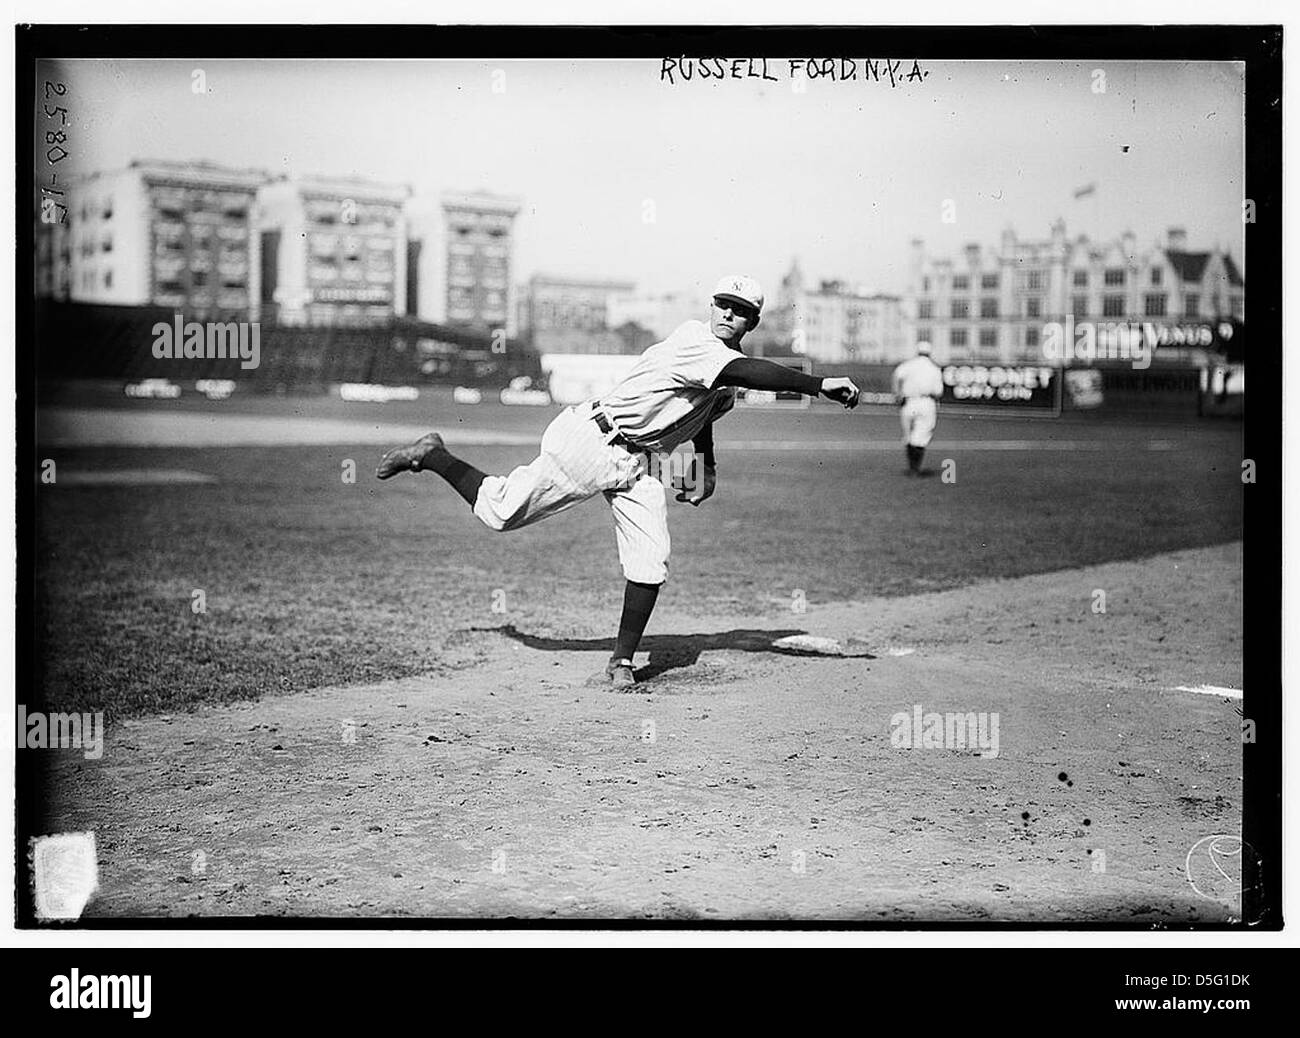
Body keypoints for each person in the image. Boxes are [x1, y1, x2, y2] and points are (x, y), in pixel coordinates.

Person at [375, 274, 861, 690]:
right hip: (594, 440)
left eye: (740, 312)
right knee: (500, 512)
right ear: (711, 306)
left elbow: (706, 409)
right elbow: (740, 371)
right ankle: (433, 454)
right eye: (723, 305)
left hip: (640, 463)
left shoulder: (722, 371)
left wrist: (706, 468)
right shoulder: (695, 339)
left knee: (652, 559)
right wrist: (818, 385)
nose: (728, 316)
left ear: (751, 323)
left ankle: (621, 660)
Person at [890, 340, 944, 476]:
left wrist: (897, 394)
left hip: (909, 402)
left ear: (917, 351)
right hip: (926, 402)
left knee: (908, 436)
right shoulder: (934, 368)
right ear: (929, 353)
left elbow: (896, 376)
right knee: (920, 437)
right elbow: (938, 392)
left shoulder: (909, 365)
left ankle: (911, 467)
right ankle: (915, 468)